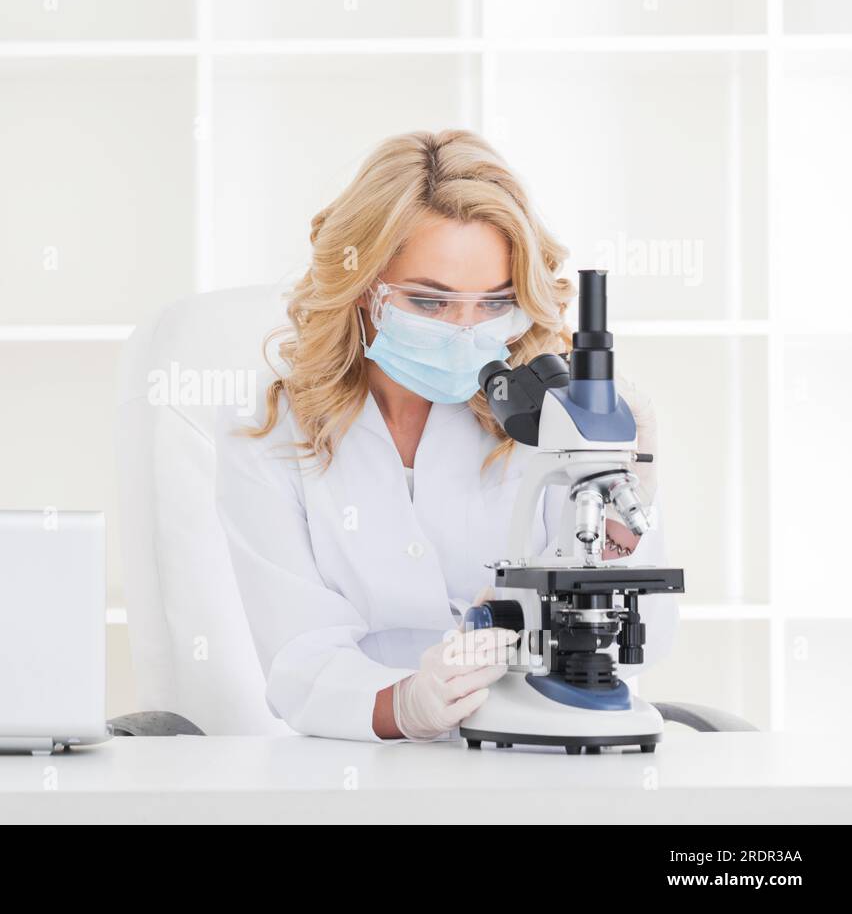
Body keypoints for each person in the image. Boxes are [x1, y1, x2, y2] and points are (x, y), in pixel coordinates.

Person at [215, 129, 674, 742]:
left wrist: (627, 496)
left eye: (494, 303)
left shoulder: (549, 421)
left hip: (544, 754)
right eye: (431, 304)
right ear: (361, 291)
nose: (465, 330)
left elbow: (647, 630)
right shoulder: (272, 435)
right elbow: (300, 658)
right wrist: (404, 705)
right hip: (360, 768)